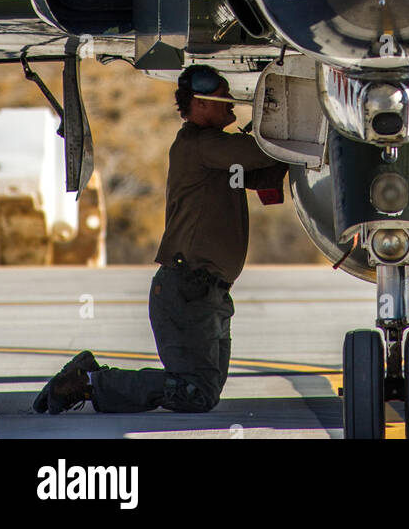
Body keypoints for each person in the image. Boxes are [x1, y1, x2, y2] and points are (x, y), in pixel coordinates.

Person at [33, 65, 287, 416]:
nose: (230, 104)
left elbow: (265, 169)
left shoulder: (218, 154)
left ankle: (91, 378)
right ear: (198, 105)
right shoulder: (201, 146)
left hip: (205, 292)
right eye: (220, 99)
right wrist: (294, 133)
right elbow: (263, 153)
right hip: (189, 291)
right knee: (195, 393)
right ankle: (89, 381)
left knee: (202, 391)